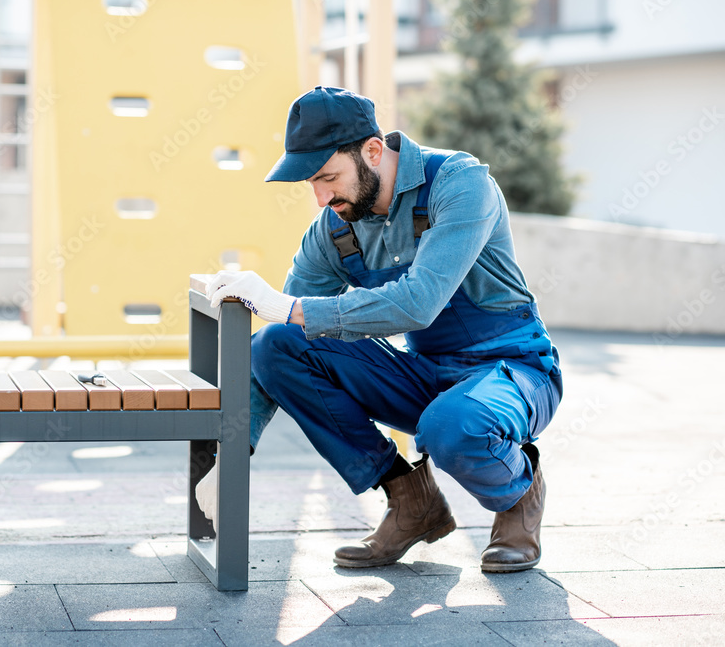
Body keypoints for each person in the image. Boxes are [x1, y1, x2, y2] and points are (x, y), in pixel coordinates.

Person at [203, 86, 563, 573]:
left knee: (451, 426)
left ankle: (520, 495)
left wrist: (286, 306)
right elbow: (283, 339)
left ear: (373, 151)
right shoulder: (334, 229)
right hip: (426, 376)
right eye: (311, 182)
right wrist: (232, 456)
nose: (320, 197)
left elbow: (418, 304)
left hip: (512, 372)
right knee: (278, 344)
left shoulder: (460, 184)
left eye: (328, 177)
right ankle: (412, 502)